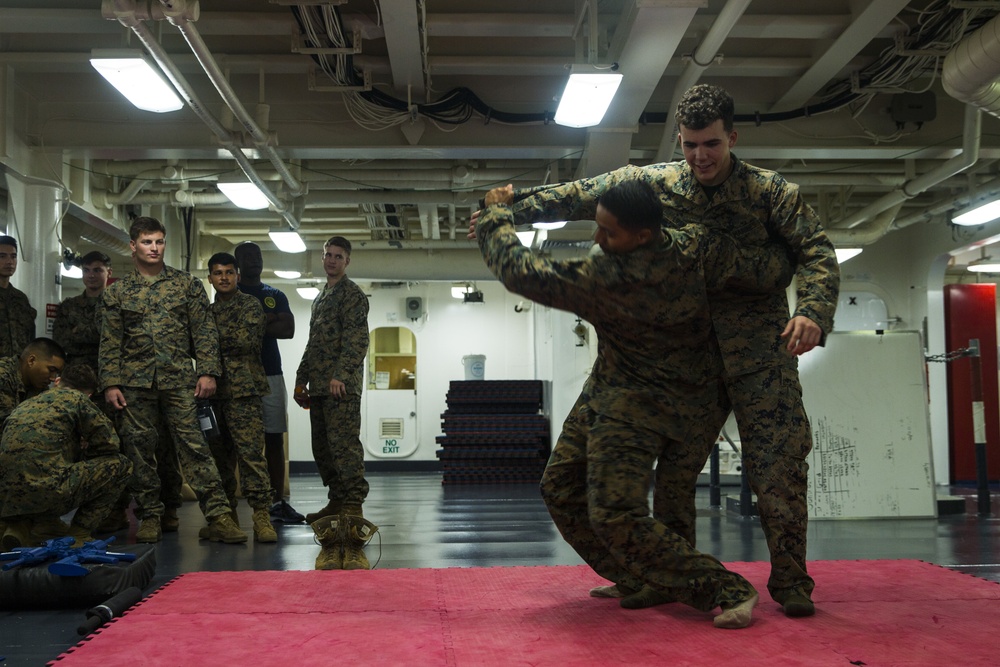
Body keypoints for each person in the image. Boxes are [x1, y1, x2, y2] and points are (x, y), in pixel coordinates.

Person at [487, 84, 840, 618]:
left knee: (778, 468)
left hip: (759, 354)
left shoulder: (770, 194)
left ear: (732, 138)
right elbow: (583, 193)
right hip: (687, 360)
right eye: (691, 144)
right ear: (679, 139)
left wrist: (811, 310)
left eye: (712, 145)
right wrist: (514, 205)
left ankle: (791, 581)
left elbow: (815, 251)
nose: (700, 156)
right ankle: (669, 578)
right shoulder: (654, 184)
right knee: (676, 479)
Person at [477, 180, 794, 628]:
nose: (597, 239)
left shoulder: (613, 277)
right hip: (612, 380)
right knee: (561, 486)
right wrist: (788, 253)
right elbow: (766, 268)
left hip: (639, 399)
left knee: (614, 512)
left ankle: (725, 588)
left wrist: (496, 215)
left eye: (609, 233)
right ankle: (638, 574)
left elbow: (522, 272)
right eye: (598, 226)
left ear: (642, 236)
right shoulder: (694, 244)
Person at [99, 216, 246, 545]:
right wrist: (111, 383)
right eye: (148, 242)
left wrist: (208, 370)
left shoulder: (186, 285)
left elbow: (204, 332)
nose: (154, 248)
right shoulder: (118, 293)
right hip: (134, 384)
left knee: (195, 447)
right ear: (133, 246)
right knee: (139, 450)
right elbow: (110, 342)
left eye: (160, 241)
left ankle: (220, 516)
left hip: (180, 380)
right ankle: (151, 515)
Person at [294, 236, 376, 570]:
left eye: (337, 256)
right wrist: (302, 379)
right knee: (323, 448)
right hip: (319, 387)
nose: (331, 260)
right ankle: (335, 500)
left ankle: (352, 507)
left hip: (340, 388)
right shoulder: (320, 297)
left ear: (347, 261)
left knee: (344, 447)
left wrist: (340, 375)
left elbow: (358, 341)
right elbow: (313, 344)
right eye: (327, 254)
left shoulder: (351, 295)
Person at [0, 362, 132, 549]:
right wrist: (84, 448)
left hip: (8, 498)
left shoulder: (28, 402)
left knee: (47, 461)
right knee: (120, 465)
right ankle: (79, 534)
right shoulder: (79, 400)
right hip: (48, 491)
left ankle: (18, 527)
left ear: (58, 382)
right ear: (88, 395)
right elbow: (109, 445)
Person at [204, 252, 277, 543]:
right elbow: (195, 344)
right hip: (212, 395)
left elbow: (244, 341)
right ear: (210, 277)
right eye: (218, 273)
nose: (224, 277)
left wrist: (209, 343)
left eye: (229, 272)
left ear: (237, 275)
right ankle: (227, 519)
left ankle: (261, 518)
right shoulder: (206, 312)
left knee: (250, 457)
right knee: (219, 460)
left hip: (244, 392)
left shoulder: (250, 305)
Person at [233, 241, 304, 525]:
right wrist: (267, 320)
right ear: (238, 263)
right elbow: (232, 331)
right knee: (241, 442)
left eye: (258, 256)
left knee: (274, 438)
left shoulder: (274, 294)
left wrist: (252, 323)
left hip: (271, 374)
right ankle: (242, 502)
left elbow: (287, 329)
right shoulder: (230, 294)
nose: (255, 260)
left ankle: (277, 502)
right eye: (248, 256)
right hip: (238, 377)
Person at [0, 337, 66, 425]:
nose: (53, 378)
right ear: (31, 361)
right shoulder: (3, 375)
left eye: (57, 373)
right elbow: (5, 426)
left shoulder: (39, 384)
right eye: (51, 370)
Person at [0, 235, 36, 359]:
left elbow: (31, 338)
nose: (9, 261)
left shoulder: (21, 299)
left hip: (18, 372)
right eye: (2, 256)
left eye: (13, 256)